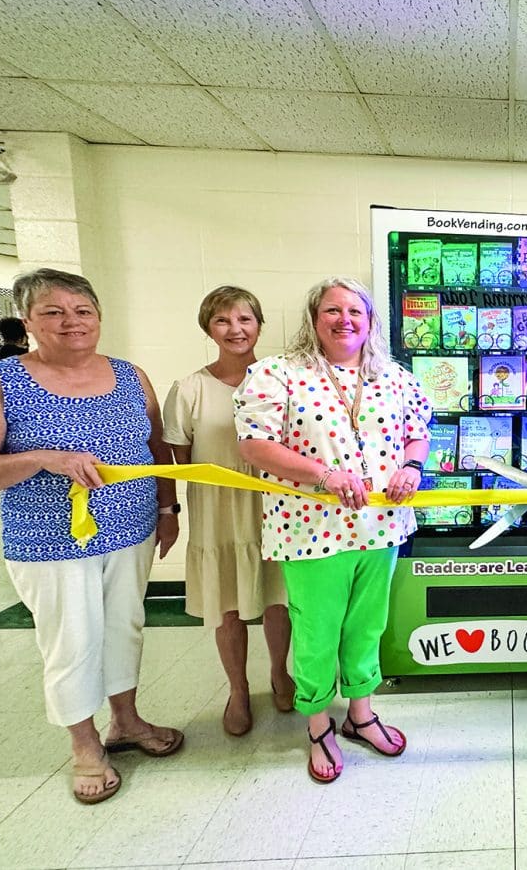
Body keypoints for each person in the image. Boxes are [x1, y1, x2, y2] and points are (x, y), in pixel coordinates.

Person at [0, 267, 184, 805]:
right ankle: (84, 746)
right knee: (72, 641)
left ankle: (127, 722)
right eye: (53, 312)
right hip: (49, 541)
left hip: (131, 529)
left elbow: (156, 447)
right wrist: (40, 459)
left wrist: (168, 509)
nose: (71, 322)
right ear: (28, 321)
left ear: (98, 318)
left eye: (82, 311)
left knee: (125, 628)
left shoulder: (129, 375)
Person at [234, 276, 432, 783]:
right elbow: (254, 444)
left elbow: (417, 433)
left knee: (368, 626)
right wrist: (323, 475)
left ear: (370, 322)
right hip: (310, 529)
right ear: (313, 317)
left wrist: (413, 467)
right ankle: (319, 724)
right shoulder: (277, 373)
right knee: (317, 632)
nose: (345, 320)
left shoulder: (395, 376)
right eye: (332, 311)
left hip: (380, 526)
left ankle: (361, 713)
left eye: (355, 312)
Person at [163, 286, 293, 737]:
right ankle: (237, 689)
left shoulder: (282, 378)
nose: (235, 329)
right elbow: (176, 456)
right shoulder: (189, 389)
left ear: (259, 324)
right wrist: (171, 510)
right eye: (223, 321)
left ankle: (280, 671)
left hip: (278, 506)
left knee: (279, 601)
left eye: (245, 319)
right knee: (228, 607)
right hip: (219, 511)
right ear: (208, 329)